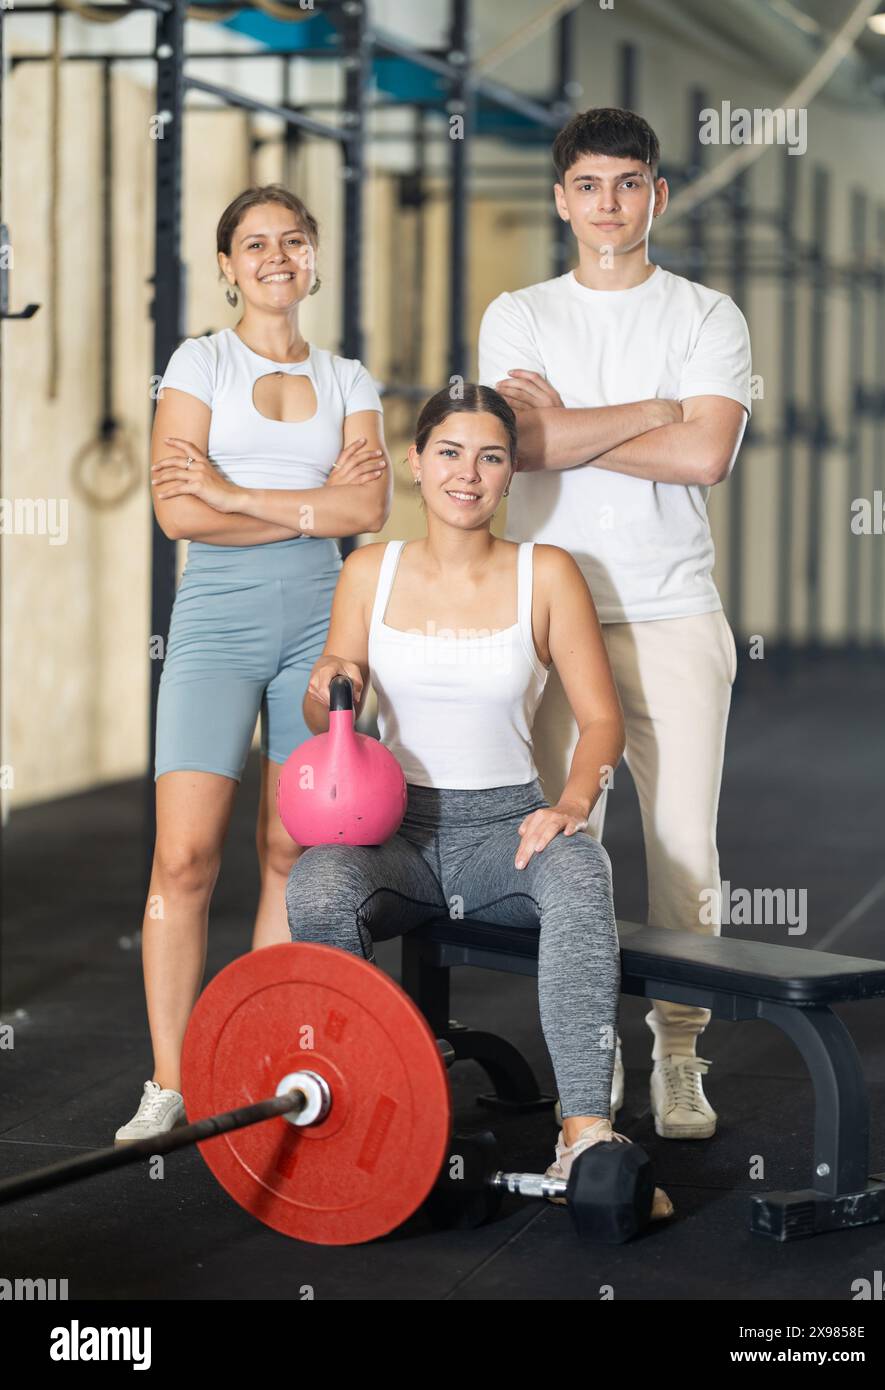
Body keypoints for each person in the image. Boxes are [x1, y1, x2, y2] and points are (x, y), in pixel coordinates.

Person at [284, 383, 672, 1217]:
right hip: (398, 832)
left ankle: (582, 1131)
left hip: (505, 831)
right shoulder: (368, 568)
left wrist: (570, 802)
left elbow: (601, 720)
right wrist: (328, 689)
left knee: (579, 872)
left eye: (490, 457)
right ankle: (361, 1115)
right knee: (316, 885)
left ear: (508, 474)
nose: (469, 473)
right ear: (416, 464)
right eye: (450, 453)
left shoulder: (548, 573)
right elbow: (329, 709)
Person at [478, 108, 751, 1140]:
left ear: (657, 196)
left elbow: (706, 456)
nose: (608, 203)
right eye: (588, 184)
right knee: (567, 853)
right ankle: (590, 1066)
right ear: (561, 198)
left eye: (628, 184)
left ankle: (679, 1055)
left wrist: (574, 425)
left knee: (685, 849)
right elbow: (518, 446)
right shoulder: (519, 312)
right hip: (551, 617)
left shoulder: (707, 314)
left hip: (674, 611)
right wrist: (653, 410)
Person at [116, 185, 392, 1142]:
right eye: (255, 243)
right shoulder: (199, 362)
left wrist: (235, 487)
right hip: (215, 621)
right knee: (183, 855)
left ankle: (262, 1060)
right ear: (228, 265)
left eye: (293, 240)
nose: (276, 256)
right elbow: (175, 514)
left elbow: (369, 517)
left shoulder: (353, 379)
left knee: (289, 850)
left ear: (313, 257)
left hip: (324, 618)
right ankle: (167, 1083)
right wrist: (303, 498)